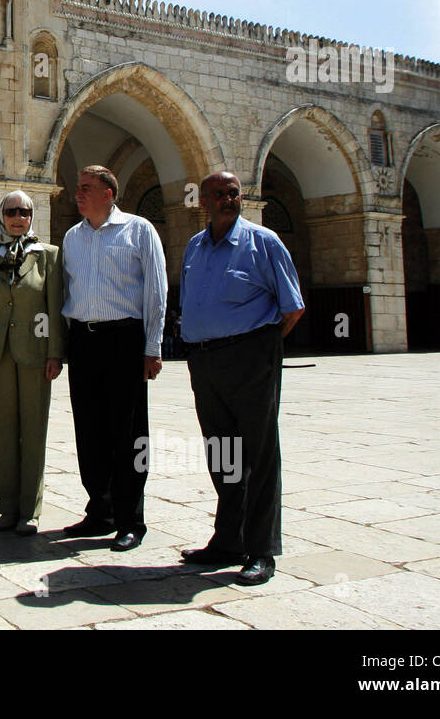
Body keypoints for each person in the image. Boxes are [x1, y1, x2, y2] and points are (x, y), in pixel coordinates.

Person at [177, 171, 304, 586]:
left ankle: (261, 549)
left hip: (251, 358)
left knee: (260, 454)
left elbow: (292, 307)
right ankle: (228, 539)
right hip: (205, 362)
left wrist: (256, 346)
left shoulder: (264, 242)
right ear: (203, 202)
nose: (228, 199)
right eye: (219, 194)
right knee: (224, 453)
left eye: (234, 193)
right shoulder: (195, 247)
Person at [59, 165, 167, 551]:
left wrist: (152, 347)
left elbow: (156, 290)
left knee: (128, 432)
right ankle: (99, 511)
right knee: (89, 430)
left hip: (124, 340)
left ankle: (130, 520)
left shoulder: (139, 231)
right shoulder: (72, 238)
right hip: (84, 342)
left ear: (108, 194)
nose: (78, 193)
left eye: (87, 188)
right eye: (78, 187)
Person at [0, 190, 65, 536]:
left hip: (35, 354)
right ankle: (7, 508)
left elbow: (54, 307)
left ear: (31, 215)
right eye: (10, 212)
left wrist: (55, 353)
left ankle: (29, 510)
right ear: (1, 216)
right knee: (4, 430)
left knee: (34, 430)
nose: (17, 218)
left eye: (23, 212)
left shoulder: (48, 255)